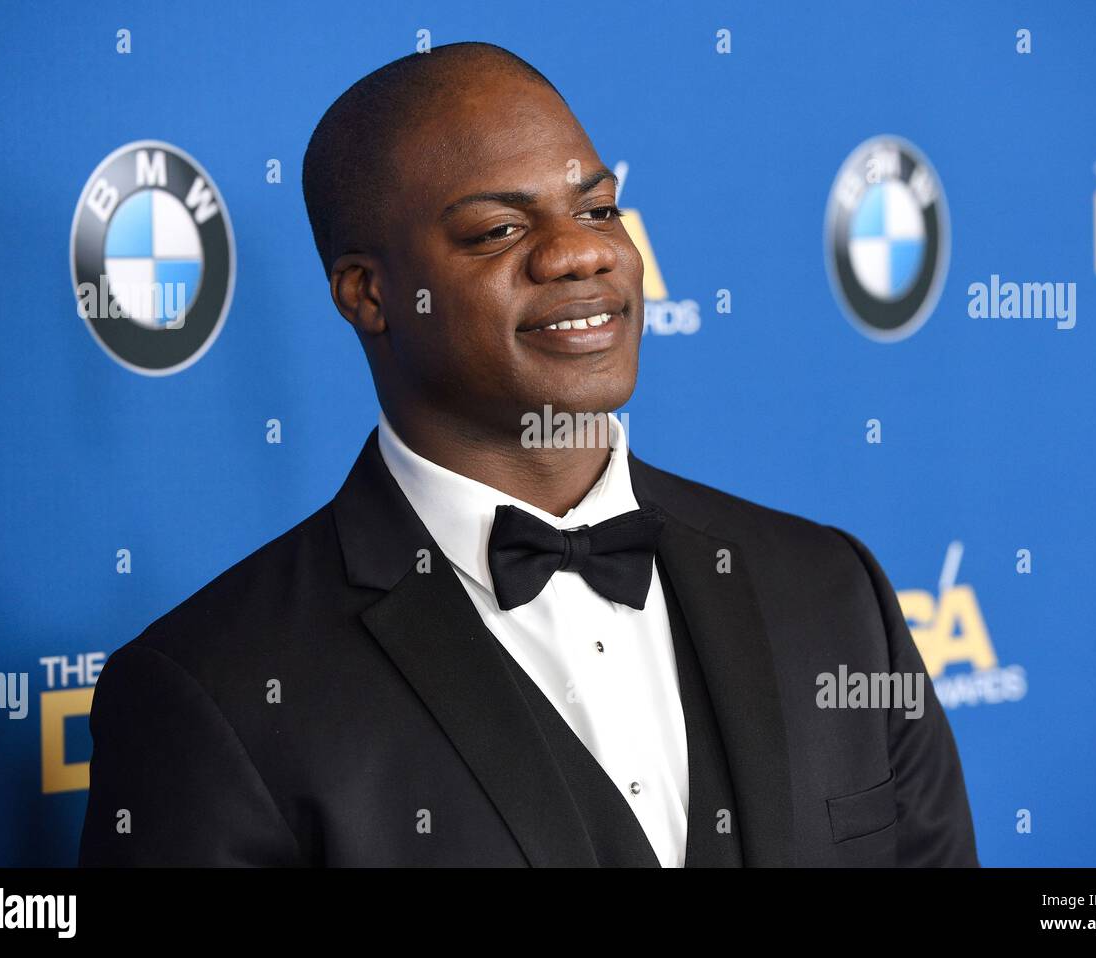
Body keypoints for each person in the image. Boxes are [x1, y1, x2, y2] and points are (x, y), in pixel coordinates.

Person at [78, 41, 978, 867]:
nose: (582, 252)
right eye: (500, 231)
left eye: (598, 208)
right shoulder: (215, 694)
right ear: (368, 294)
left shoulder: (829, 589)